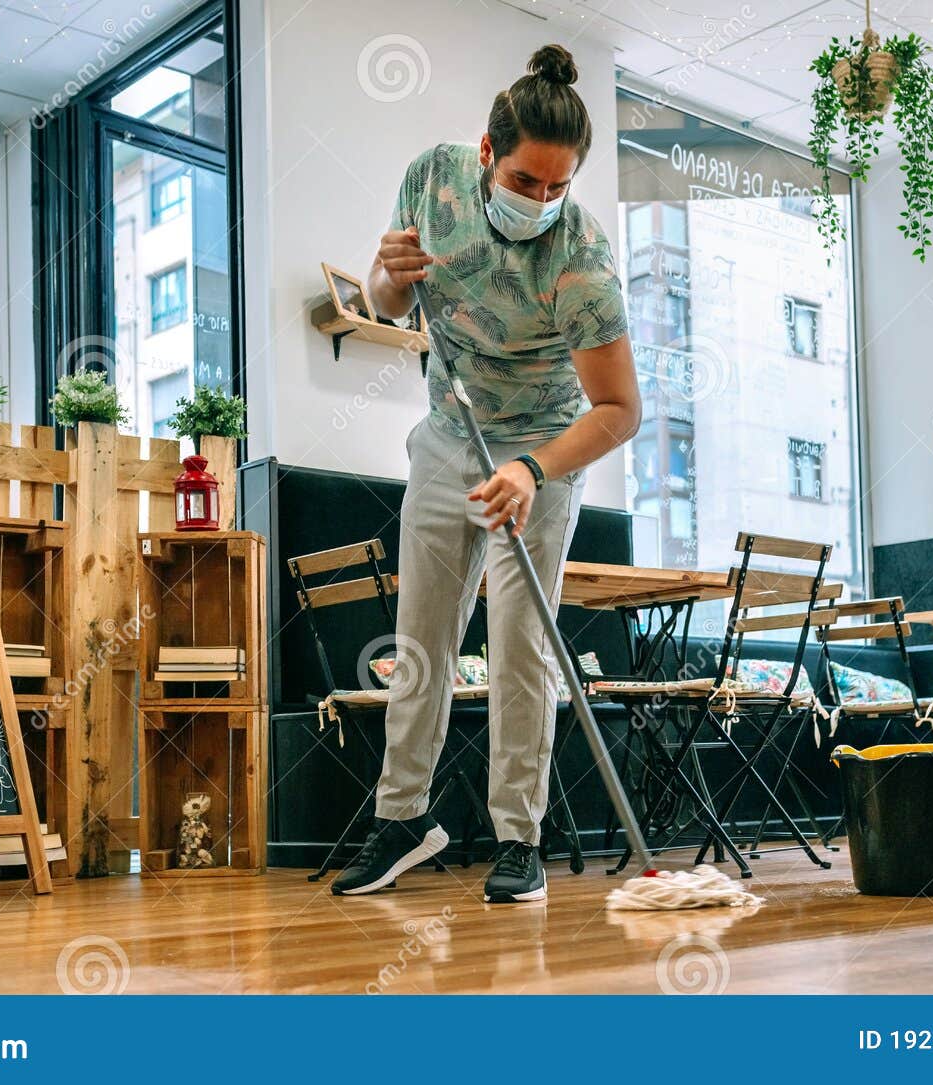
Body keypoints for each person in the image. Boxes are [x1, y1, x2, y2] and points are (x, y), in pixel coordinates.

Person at [331, 44, 638, 903]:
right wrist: (383, 283)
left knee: (517, 642)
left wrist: (536, 469)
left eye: (557, 187)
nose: (540, 200)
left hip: (542, 444)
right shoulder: (430, 182)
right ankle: (402, 820)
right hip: (448, 431)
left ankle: (518, 838)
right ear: (483, 154)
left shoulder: (583, 262)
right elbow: (391, 305)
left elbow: (619, 410)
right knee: (421, 635)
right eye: (525, 180)